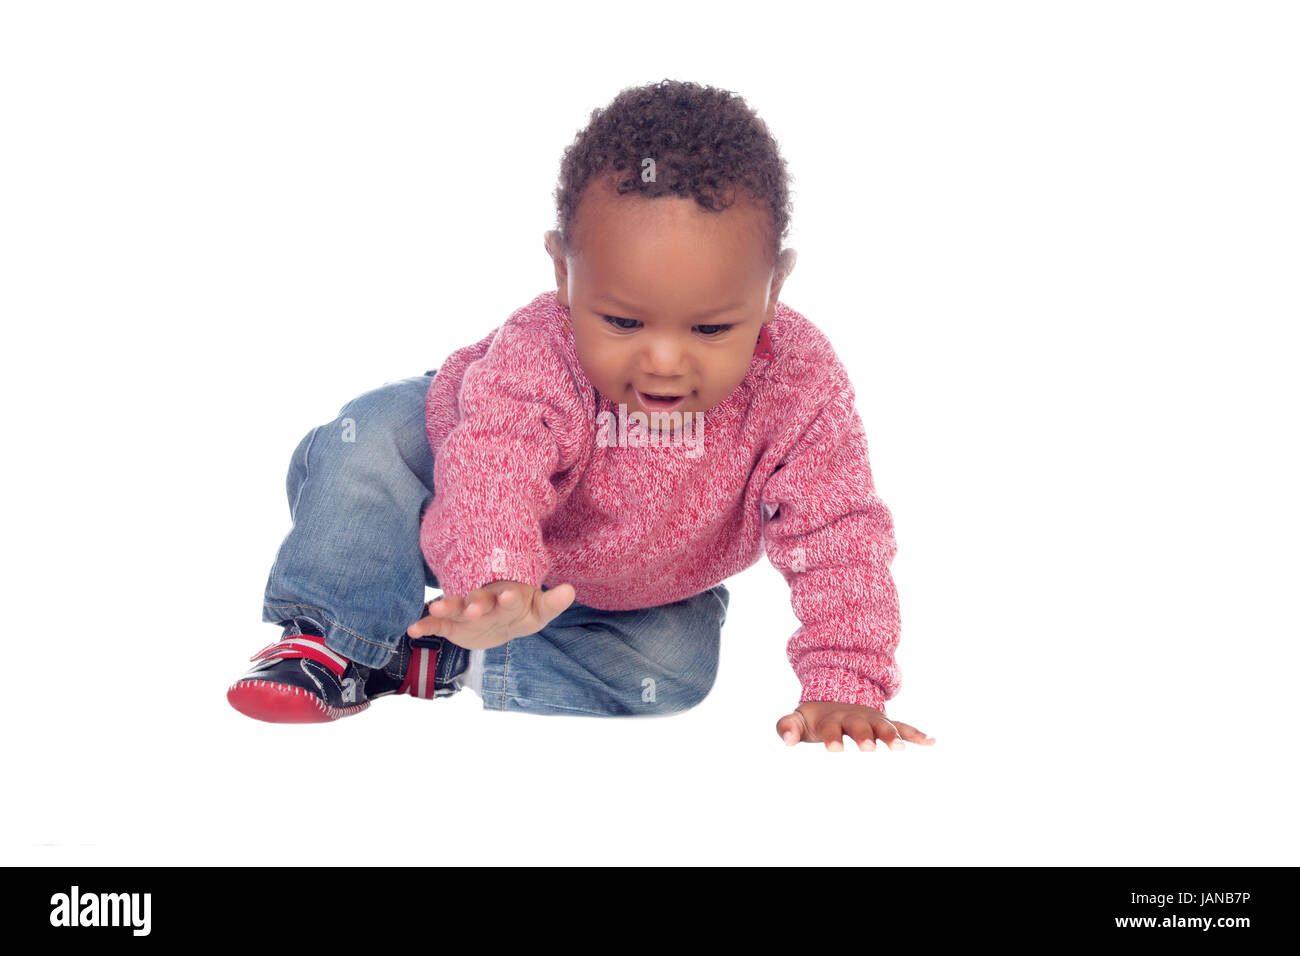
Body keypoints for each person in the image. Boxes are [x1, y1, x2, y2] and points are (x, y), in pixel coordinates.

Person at [227, 79, 935, 752]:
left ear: (773, 287)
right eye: (624, 321)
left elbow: (840, 532)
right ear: (564, 273)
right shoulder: (542, 352)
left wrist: (847, 683)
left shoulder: (798, 385)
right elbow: (494, 464)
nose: (664, 361)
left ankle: (435, 664)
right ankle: (331, 638)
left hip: (607, 585)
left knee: (676, 665)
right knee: (374, 436)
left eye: (711, 330)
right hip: (453, 501)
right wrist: (494, 576)